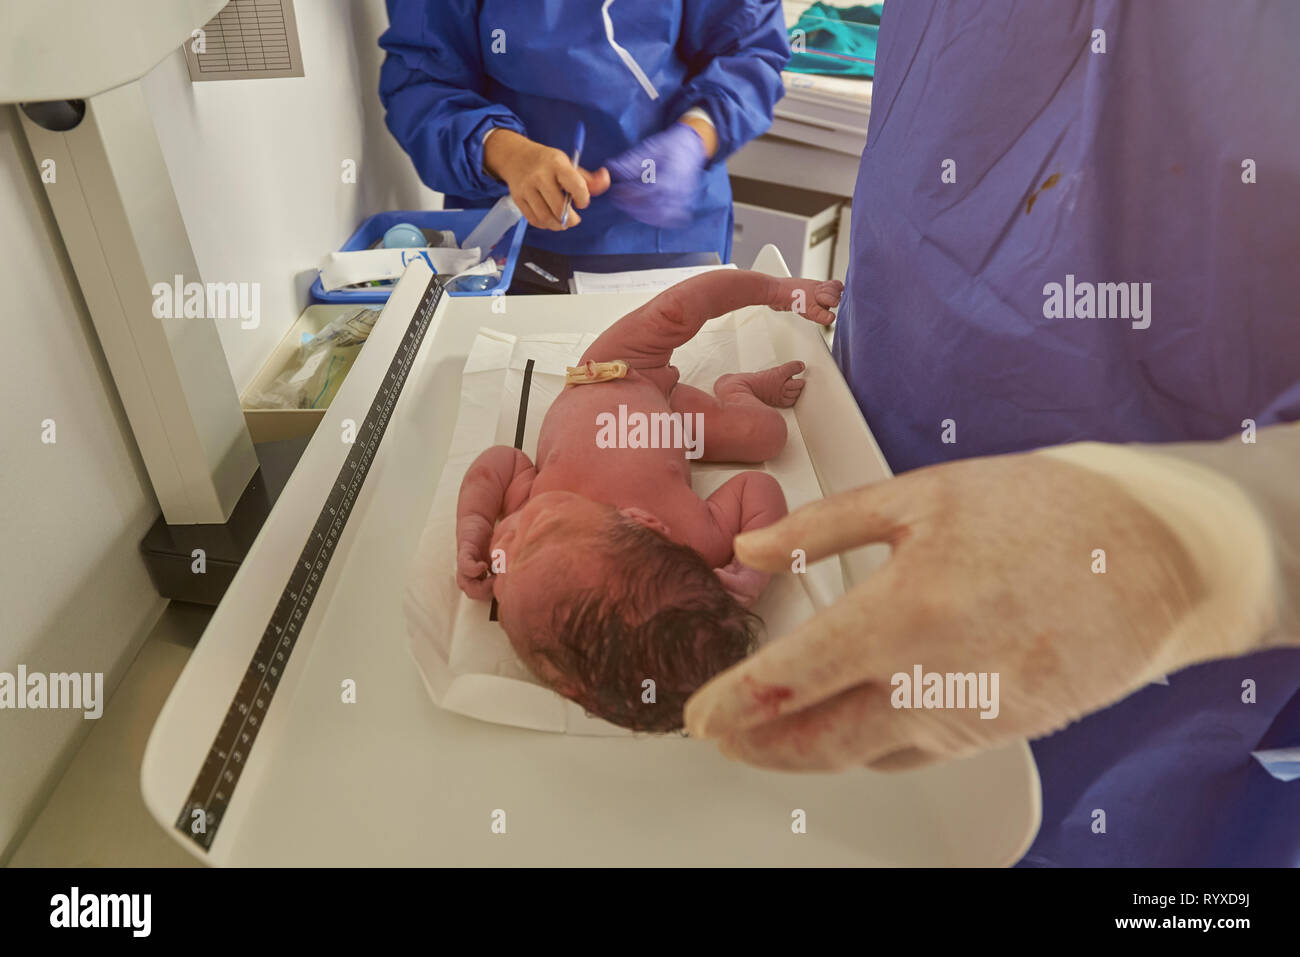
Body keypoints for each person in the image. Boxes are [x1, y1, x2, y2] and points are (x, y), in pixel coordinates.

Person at [684, 0, 1300, 867]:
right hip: (883, 530)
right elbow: (960, 173)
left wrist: (1201, 544)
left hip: (1180, 752)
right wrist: (829, 374)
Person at [454, 270, 842, 731]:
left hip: (615, 371)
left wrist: (473, 527)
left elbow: (498, 462)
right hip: (673, 420)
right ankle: (737, 390)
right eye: (515, 548)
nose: (506, 535)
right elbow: (758, 491)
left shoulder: (536, 501)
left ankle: (777, 290)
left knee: (672, 313)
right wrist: (755, 567)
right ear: (646, 524)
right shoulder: (698, 543)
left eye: (502, 562)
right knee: (769, 436)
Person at [377, 0, 789, 258]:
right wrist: (509, 154)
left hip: (671, 238)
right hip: (510, 238)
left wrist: (695, 136)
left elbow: (750, 50)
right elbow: (422, 80)